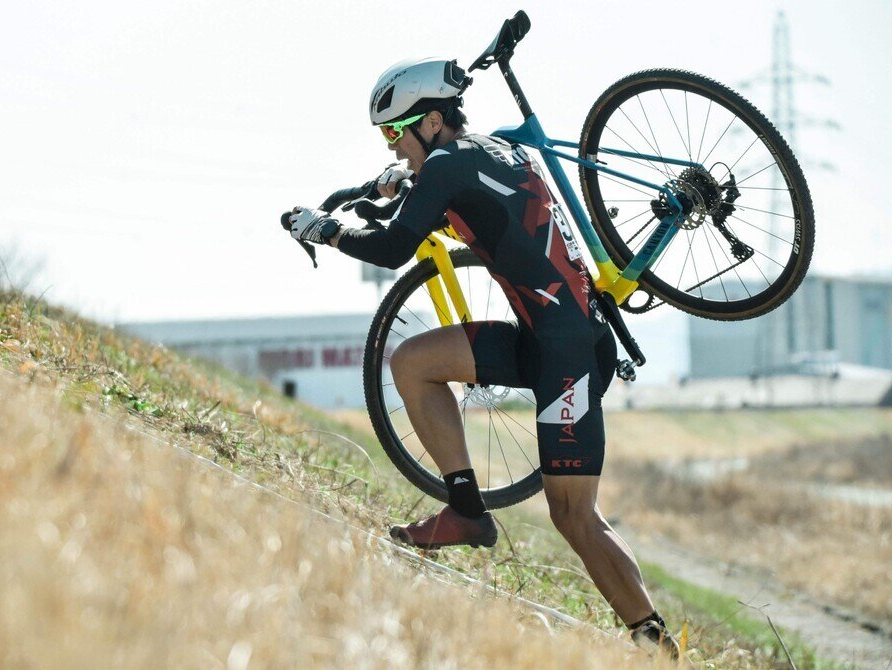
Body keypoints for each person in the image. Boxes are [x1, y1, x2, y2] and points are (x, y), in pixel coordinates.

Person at [285, 57, 678, 655]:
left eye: (395, 133)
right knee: (412, 363)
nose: (393, 147)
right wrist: (400, 188)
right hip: (539, 337)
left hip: (569, 351)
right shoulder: (489, 151)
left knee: (573, 515)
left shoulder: (447, 164)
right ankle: (468, 510)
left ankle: (655, 644)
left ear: (432, 122)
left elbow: (392, 249)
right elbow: (463, 208)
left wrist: (327, 231)